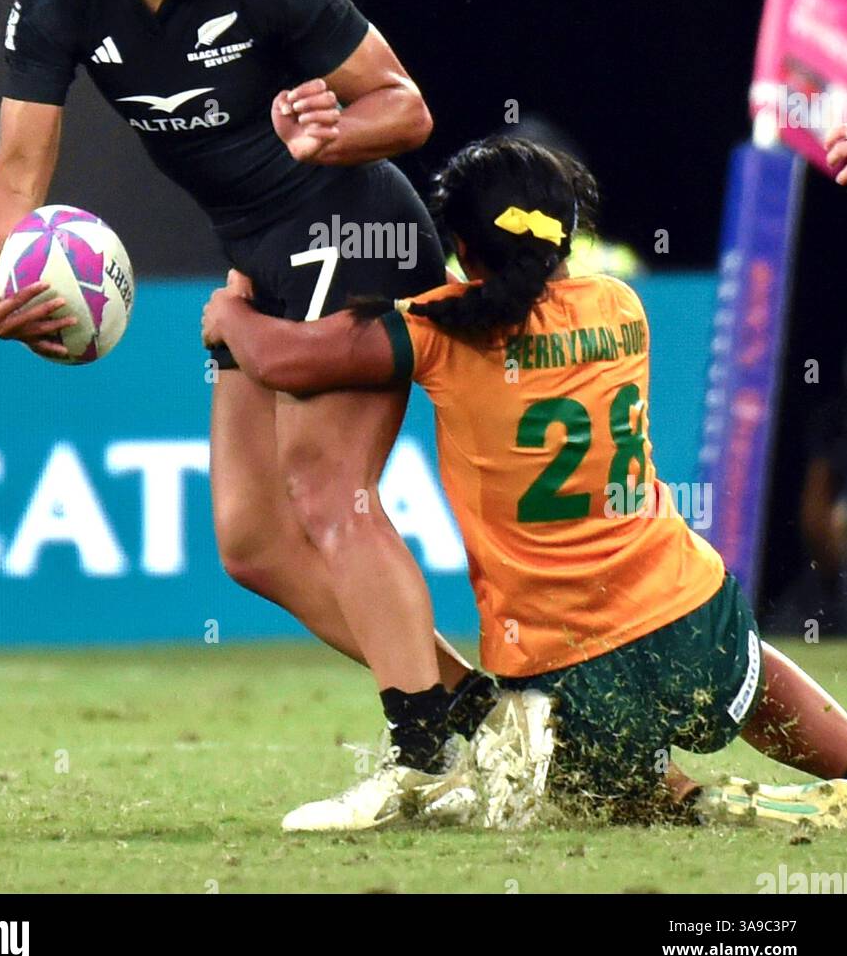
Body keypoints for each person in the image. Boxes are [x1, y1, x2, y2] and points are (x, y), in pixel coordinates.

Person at [0, 0, 512, 813]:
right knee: (253, 541)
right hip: (260, 254)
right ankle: (480, 719)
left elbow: (407, 107)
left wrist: (328, 135)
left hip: (356, 231)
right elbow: (19, 169)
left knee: (325, 491)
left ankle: (426, 757)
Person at [203, 134, 847, 828]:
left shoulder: (438, 332)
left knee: (599, 796)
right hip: (687, 605)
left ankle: (723, 806)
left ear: (461, 250)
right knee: (751, 679)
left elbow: (287, 362)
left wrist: (231, 316)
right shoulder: (620, 306)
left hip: (566, 659)